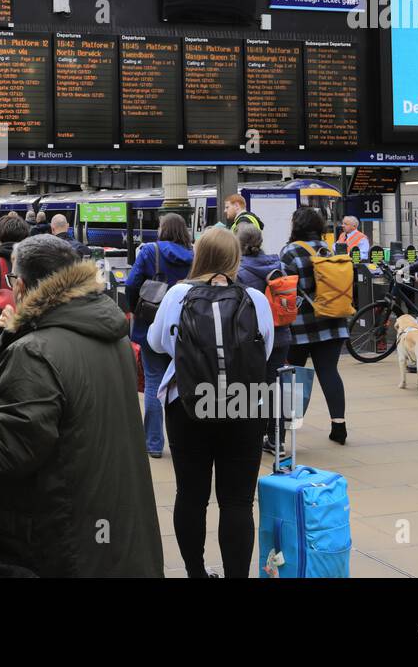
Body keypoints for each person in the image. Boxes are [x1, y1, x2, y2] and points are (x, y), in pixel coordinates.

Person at [0, 234, 162, 577]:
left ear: (25, 285)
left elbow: (9, 446)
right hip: (113, 529)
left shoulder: (36, 351)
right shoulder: (110, 334)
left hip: (63, 539)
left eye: (13, 279)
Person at [146, 227, 274, 579]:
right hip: (244, 404)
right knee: (237, 501)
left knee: (191, 494)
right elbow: (266, 348)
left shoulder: (177, 295)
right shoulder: (254, 297)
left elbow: (157, 343)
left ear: (199, 255)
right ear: (235, 258)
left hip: (188, 403)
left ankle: (196, 573)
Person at [126, 213, 193, 459]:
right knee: (183, 383)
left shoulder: (149, 251)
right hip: (184, 327)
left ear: (162, 229)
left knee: (154, 381)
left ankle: (154, 443)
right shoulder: (194, 255)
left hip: (151, 325)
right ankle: (185, 439)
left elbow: (132, 284)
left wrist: (136, 310)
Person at [279, 206, 349, 445]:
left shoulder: (289, 252)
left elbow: (285, 290)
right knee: (329, 372)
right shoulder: (328, 249)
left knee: (293, 375)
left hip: (301, 326)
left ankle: (286, 425)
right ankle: (339, 426)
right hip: (333, 321)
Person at [236, 223, 293, 449]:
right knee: (275, 386)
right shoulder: (278, 265)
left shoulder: (239, 271)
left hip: (254, 338)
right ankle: (277, 439)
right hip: (281, 334)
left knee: (252, 387)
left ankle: (253, 435)